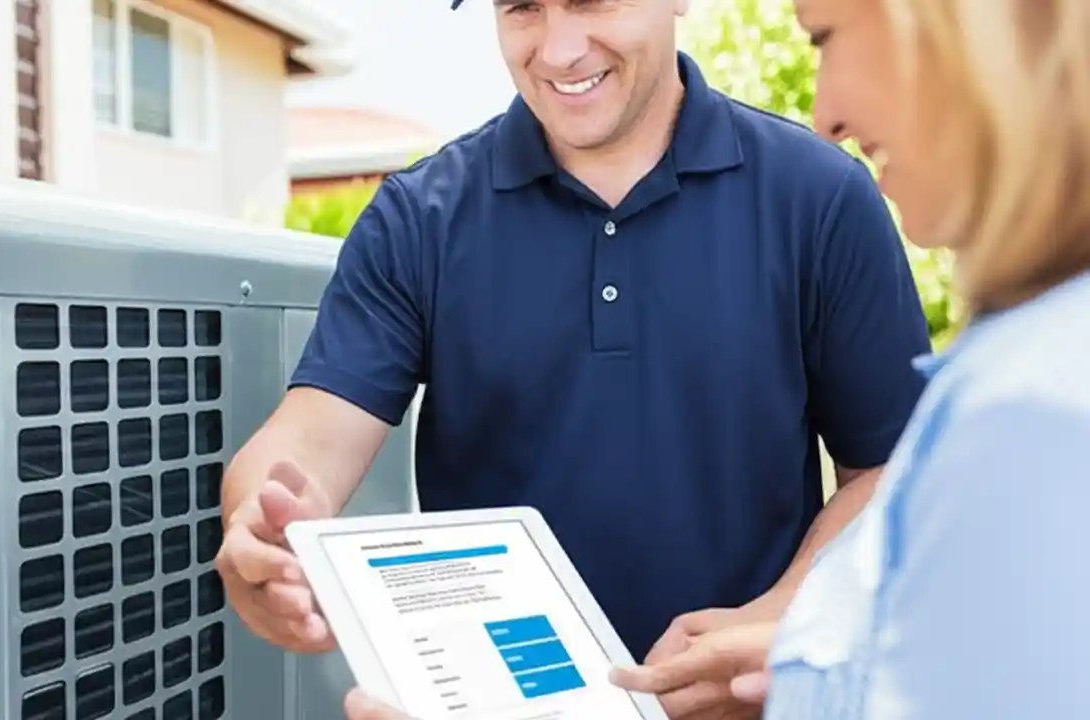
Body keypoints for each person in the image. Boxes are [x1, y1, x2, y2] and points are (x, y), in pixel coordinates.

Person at [217, 0, 931, 716]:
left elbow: (892, 471)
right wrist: (264, 526)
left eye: (591, 0)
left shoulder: (820, 198)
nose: (558, 49)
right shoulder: (419, 220)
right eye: (522, 7)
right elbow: (305, 442)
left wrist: (779, 618)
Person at [606, 0, 1090, 718]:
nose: (825, 111)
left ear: (962, 36)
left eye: (825, 38)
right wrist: (811, 673)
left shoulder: (1031, 409)